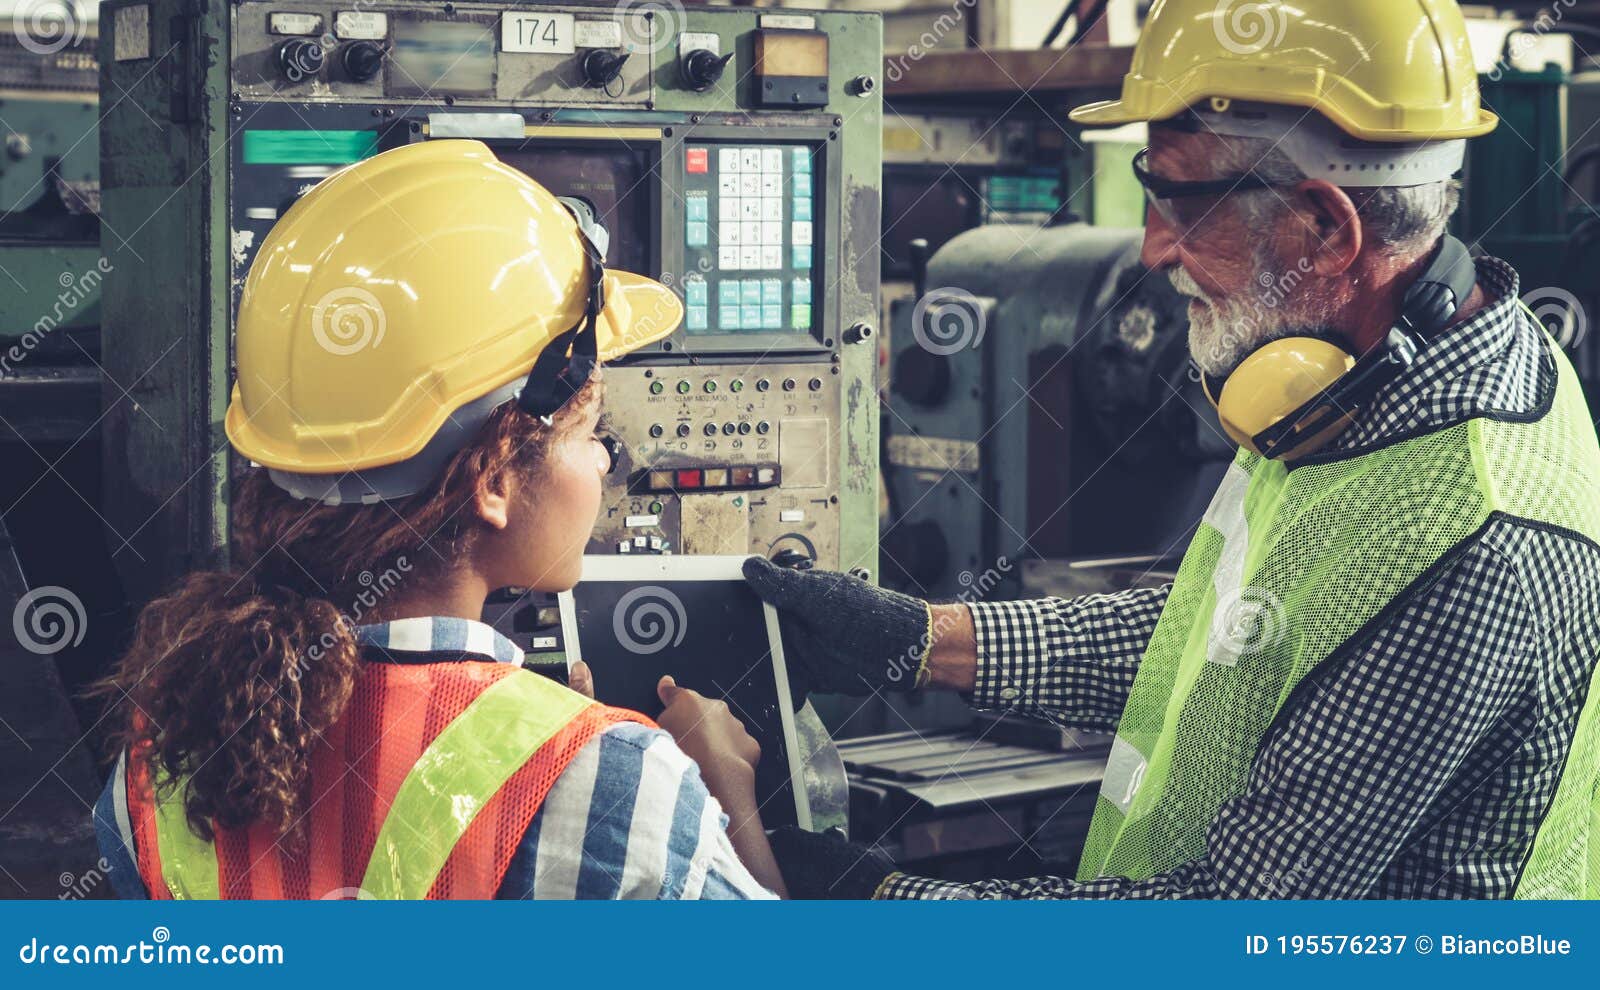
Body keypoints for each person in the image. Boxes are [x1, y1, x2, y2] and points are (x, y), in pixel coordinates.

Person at [755, 0, 1600, 899]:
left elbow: (1229, 926)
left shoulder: (1471, 538)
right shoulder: (1341, 379)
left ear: (1326, 226)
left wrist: (874, 905)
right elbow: (1236, 642)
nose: (1154, 248)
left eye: (1179, 201)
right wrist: (926, 640)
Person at [90, 140, 784, 899]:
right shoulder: (624, 784)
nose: (605, 467)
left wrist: (557, 744)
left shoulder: (157, 756)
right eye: (590, 437)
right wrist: (719, 791)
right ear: (491, 479)